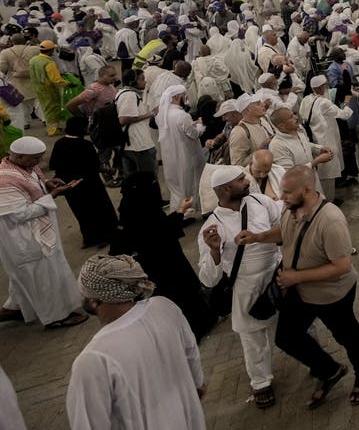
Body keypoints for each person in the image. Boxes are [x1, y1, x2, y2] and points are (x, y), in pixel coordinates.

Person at [237, 165, 359, 408]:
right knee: (287, 337)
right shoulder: (291, 209)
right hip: (300, 292)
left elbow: (342, 265)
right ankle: (329, 371)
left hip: (332, 295)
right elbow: (285, 233)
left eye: (287, 192)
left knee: (348, 336)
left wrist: (297, 277)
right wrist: (258, 237)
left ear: (307, 189)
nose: (282, 197)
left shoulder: (330, 220)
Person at [67, 254, 206, 429]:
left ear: (94, 301)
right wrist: (197, 384)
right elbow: (191, 351)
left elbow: (87, 423)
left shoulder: (94, 358)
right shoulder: (164, 307)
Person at [197, 167, 283, 409]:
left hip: (276, 277)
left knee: (297, 324)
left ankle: (314, 362)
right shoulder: (212, 226)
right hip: (245, 286)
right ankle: (261, 383)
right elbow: (208, 279)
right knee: (253, 340)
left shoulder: (260, 201)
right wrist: (214, 250)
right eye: (241, 180)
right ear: (226, 189)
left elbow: (282, 227)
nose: (248, 181)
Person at [109, 172, 216, 340]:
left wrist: (180, 211)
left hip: (152, 271)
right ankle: (194, 328)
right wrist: (180, 212)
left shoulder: (130, 207)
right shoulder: (146, 210)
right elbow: (161, 233)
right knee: (182, 297)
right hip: (168, 267)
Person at [0, 136, 88, 328]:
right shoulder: (4, 180)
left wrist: (46, 184)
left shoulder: (26, 165)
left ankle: (15, 308)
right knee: (41, 277)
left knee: (28, 275)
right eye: (35, 159)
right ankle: (56, 317)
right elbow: (18, 215)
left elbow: (32, 182)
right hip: (23, 237)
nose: (38, 163)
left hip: (37, 229)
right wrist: (52, 197)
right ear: (19, 156)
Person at [50, 115, 118, 249]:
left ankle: (89, 238)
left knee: (81, 212)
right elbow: (95, 165)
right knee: (99, 209)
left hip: (70, 186)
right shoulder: (85, 144)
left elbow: (54, 165)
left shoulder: (59, 143)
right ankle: (106, 236)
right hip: (90, 184)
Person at [297, 75, 351, 196]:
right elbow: (344, 115)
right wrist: (347, 102)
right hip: (326, 139)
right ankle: (328, 200)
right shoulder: (324, 102)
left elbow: (302, 115)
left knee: (321, 173)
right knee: (328, 172)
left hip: (314, 137)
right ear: (323, 87)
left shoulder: (306, 99)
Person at [268, 106, 335, 196]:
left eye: (294, 114)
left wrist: (320, 148)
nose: (296, 118)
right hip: (300, 189)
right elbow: (289, 173)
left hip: (312, 179)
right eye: (291, 117)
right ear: (282, 126)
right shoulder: (277, 145)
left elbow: (306, 144)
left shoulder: (297, 131)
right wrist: (316, 161)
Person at [158, 84, 204, 214]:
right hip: (186, 156)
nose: (186, 99)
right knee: (191, 184)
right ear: (177, 96)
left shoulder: (164, 114)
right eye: (184, 96)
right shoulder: (181, 115)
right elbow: (194, 134)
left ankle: (177, 210)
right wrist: (200, 125)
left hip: (170, 156)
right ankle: (188, 211)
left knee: (177, 186)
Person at [115, 68, 156, 177]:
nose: (145, 82)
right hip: (138, 145)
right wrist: (150, 114)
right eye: (142, 79)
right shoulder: (129, 95)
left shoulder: (127, 93)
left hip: (132, 144)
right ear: (133, 81)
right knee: (148, 179)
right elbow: (123, 119)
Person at [30, 40, 68, 135]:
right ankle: (52, 130)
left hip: (38, 87)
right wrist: (68, 83)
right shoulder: (49, 63)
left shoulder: (33, 60)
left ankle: (53, 127)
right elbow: (56, 80)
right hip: (49, 90)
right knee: (52, 109)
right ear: (50, 50)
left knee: (46, 108)